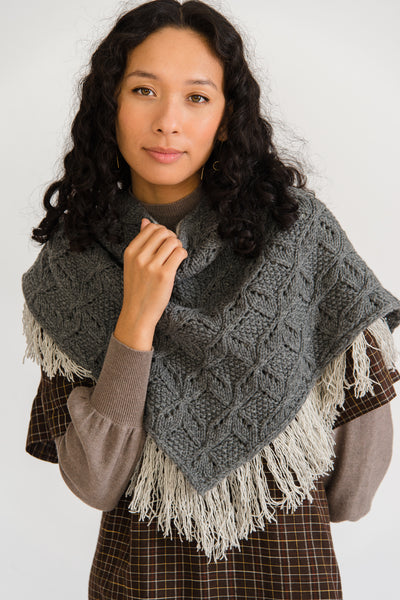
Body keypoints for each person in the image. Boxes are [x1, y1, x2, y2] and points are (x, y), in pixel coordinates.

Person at [21, 1, 400, 598]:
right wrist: (135, 317)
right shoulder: (72, 266)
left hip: (284, 581)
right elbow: (97, 482)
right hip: (151, 582)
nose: (168, 121)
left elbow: (355, 486)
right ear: (110, 104)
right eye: (144, 90)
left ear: (226, 118)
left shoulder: (297, 236)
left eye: (197, 97)